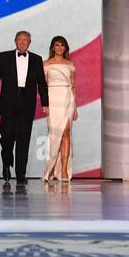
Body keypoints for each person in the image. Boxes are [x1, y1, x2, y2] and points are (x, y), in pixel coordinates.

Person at [0, 30, 48, 182]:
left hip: (27, 103)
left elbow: (42, 83)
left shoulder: (36, 59)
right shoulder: (4, 56)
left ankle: (21, 174)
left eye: (25, 40)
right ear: (15, 41)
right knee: (6, 136)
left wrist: (45, 103)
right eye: (19, 40)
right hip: (8, 102)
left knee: (24, 138)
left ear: (29, 43)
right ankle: (6, 164)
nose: (22, 42)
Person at [41, 35, 78, 183]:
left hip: (68, 98)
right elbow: (42, 87)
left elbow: (74, 85)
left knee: (66, 132)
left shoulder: (70, 64)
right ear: (52, 47)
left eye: (62, 45)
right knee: (55, 134)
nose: (60, 48)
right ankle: (50, 169)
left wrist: (75, 107)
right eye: (57, 45)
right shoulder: (46, 64)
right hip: (53, 98)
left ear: (65, 48)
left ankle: (63, 169)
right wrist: (45, 104)